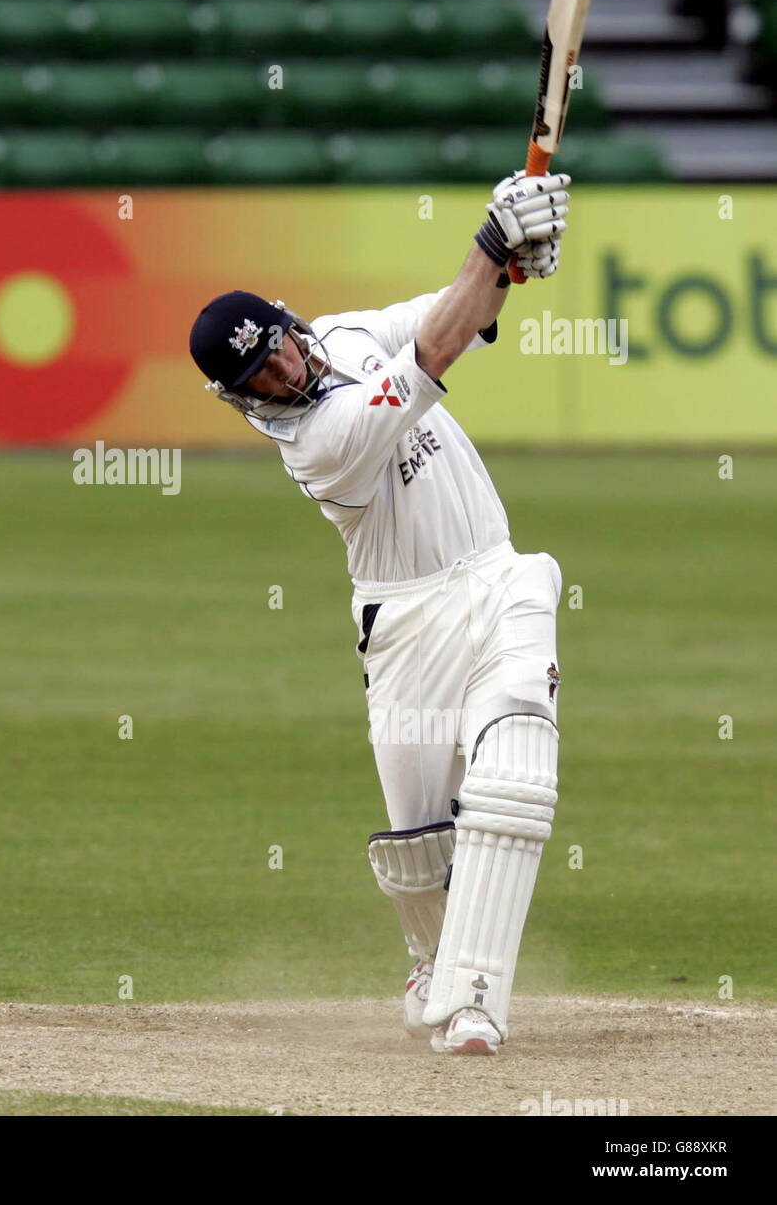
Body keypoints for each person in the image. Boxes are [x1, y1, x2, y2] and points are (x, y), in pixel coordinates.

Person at [188, 172, 571, 1055]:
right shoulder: (316, 447)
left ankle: (476, 1000)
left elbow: (450, 314)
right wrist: (489, 241)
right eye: (261, 374)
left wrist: (506, 264)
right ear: (243, 396)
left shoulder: (347, 333)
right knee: (420, 847)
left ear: (290, 321)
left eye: (280, 345)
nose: (286, 368)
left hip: (498, 575)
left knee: (514, 774)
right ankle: (431, 962)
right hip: (405, 628)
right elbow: (432, 357)